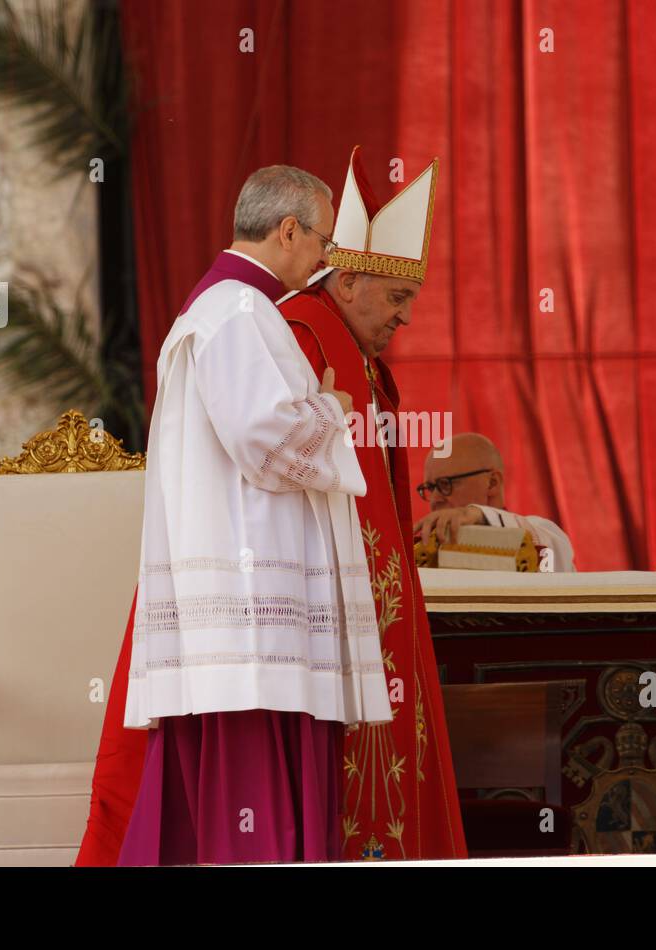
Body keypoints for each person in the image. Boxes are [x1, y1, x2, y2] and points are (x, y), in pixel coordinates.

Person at [80, 164, 391, 866]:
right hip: (256, 615)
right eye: (321, 242)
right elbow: (265, 439)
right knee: (256, 798)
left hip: (246, 609)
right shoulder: (240, 313)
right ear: (287, 230)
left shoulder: (222, 310)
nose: (324, 261)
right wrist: (333, 410)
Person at [278, 147, 466, 859]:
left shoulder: (352, 352)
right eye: (396, 298)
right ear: (348, 279)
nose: (406, 317)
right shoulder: (299, 333)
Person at [413, 433, 576, 571]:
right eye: (430, 487)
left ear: (492, 483)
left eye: (445, 484)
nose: (434, 499)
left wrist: (477, 513)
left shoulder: (541, 533)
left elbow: (554, 553)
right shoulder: (423, 555)